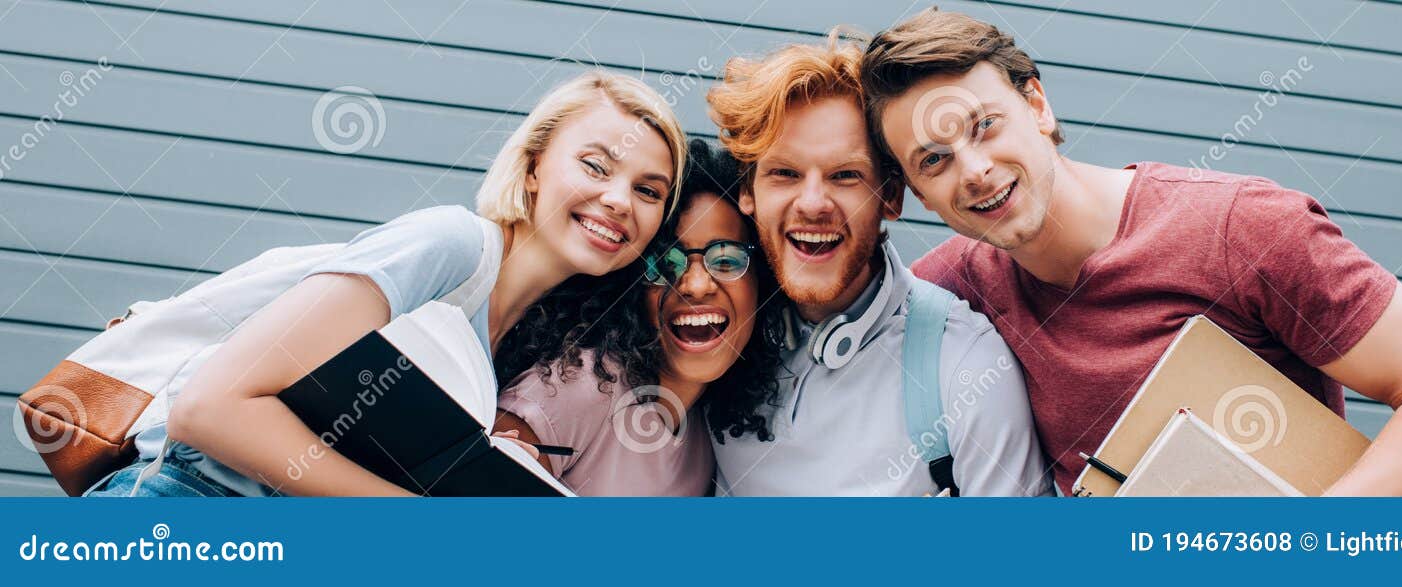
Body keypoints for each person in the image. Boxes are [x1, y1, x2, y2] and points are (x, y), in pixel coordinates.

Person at [860, 9, 1402, 496]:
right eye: (935, 159)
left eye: (984, 126)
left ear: (1035, 102)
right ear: (914, 190)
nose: (973, 169)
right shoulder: (948, 292)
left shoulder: (1242, 228)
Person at [86, 72, 688, 497]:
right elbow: (208, 410)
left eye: (648, 190)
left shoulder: (518, 339)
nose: (617, 200)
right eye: (596, 165)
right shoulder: (449, 244)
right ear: (532, 167)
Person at [704, 30, 1052, 496]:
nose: (812, 203)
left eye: (845, 175)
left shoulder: (964, 365)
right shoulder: (711, 339)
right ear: (748, 192)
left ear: (890, 194)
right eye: (784, 173)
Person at [489, 140, 789, 496]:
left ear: (764, 283)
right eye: (665, 264)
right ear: (629, 285)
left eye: (726, 260)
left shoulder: (705, 431)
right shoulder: (580, 386)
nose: (695, 285)